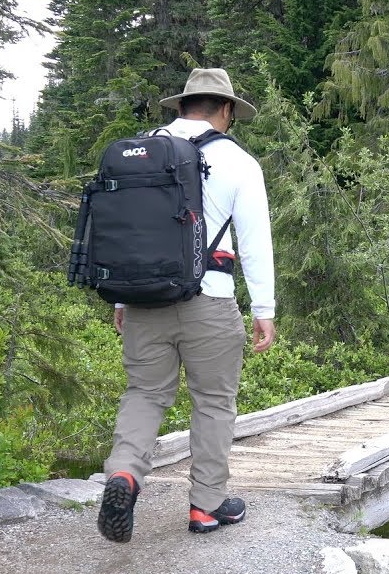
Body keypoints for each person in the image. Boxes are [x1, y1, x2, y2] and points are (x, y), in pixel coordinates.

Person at [97, 67, 276, 542]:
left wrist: (119, 296)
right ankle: (206, 505)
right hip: (210, 301)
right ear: (226, 110)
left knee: (144, 394)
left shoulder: (139, 153)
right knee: (213, 403)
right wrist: (264, 309)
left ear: (180, 106)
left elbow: (121, 230)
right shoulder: (239, 163)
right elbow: (255, 242)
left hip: (142, 299)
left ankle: (124, 475)